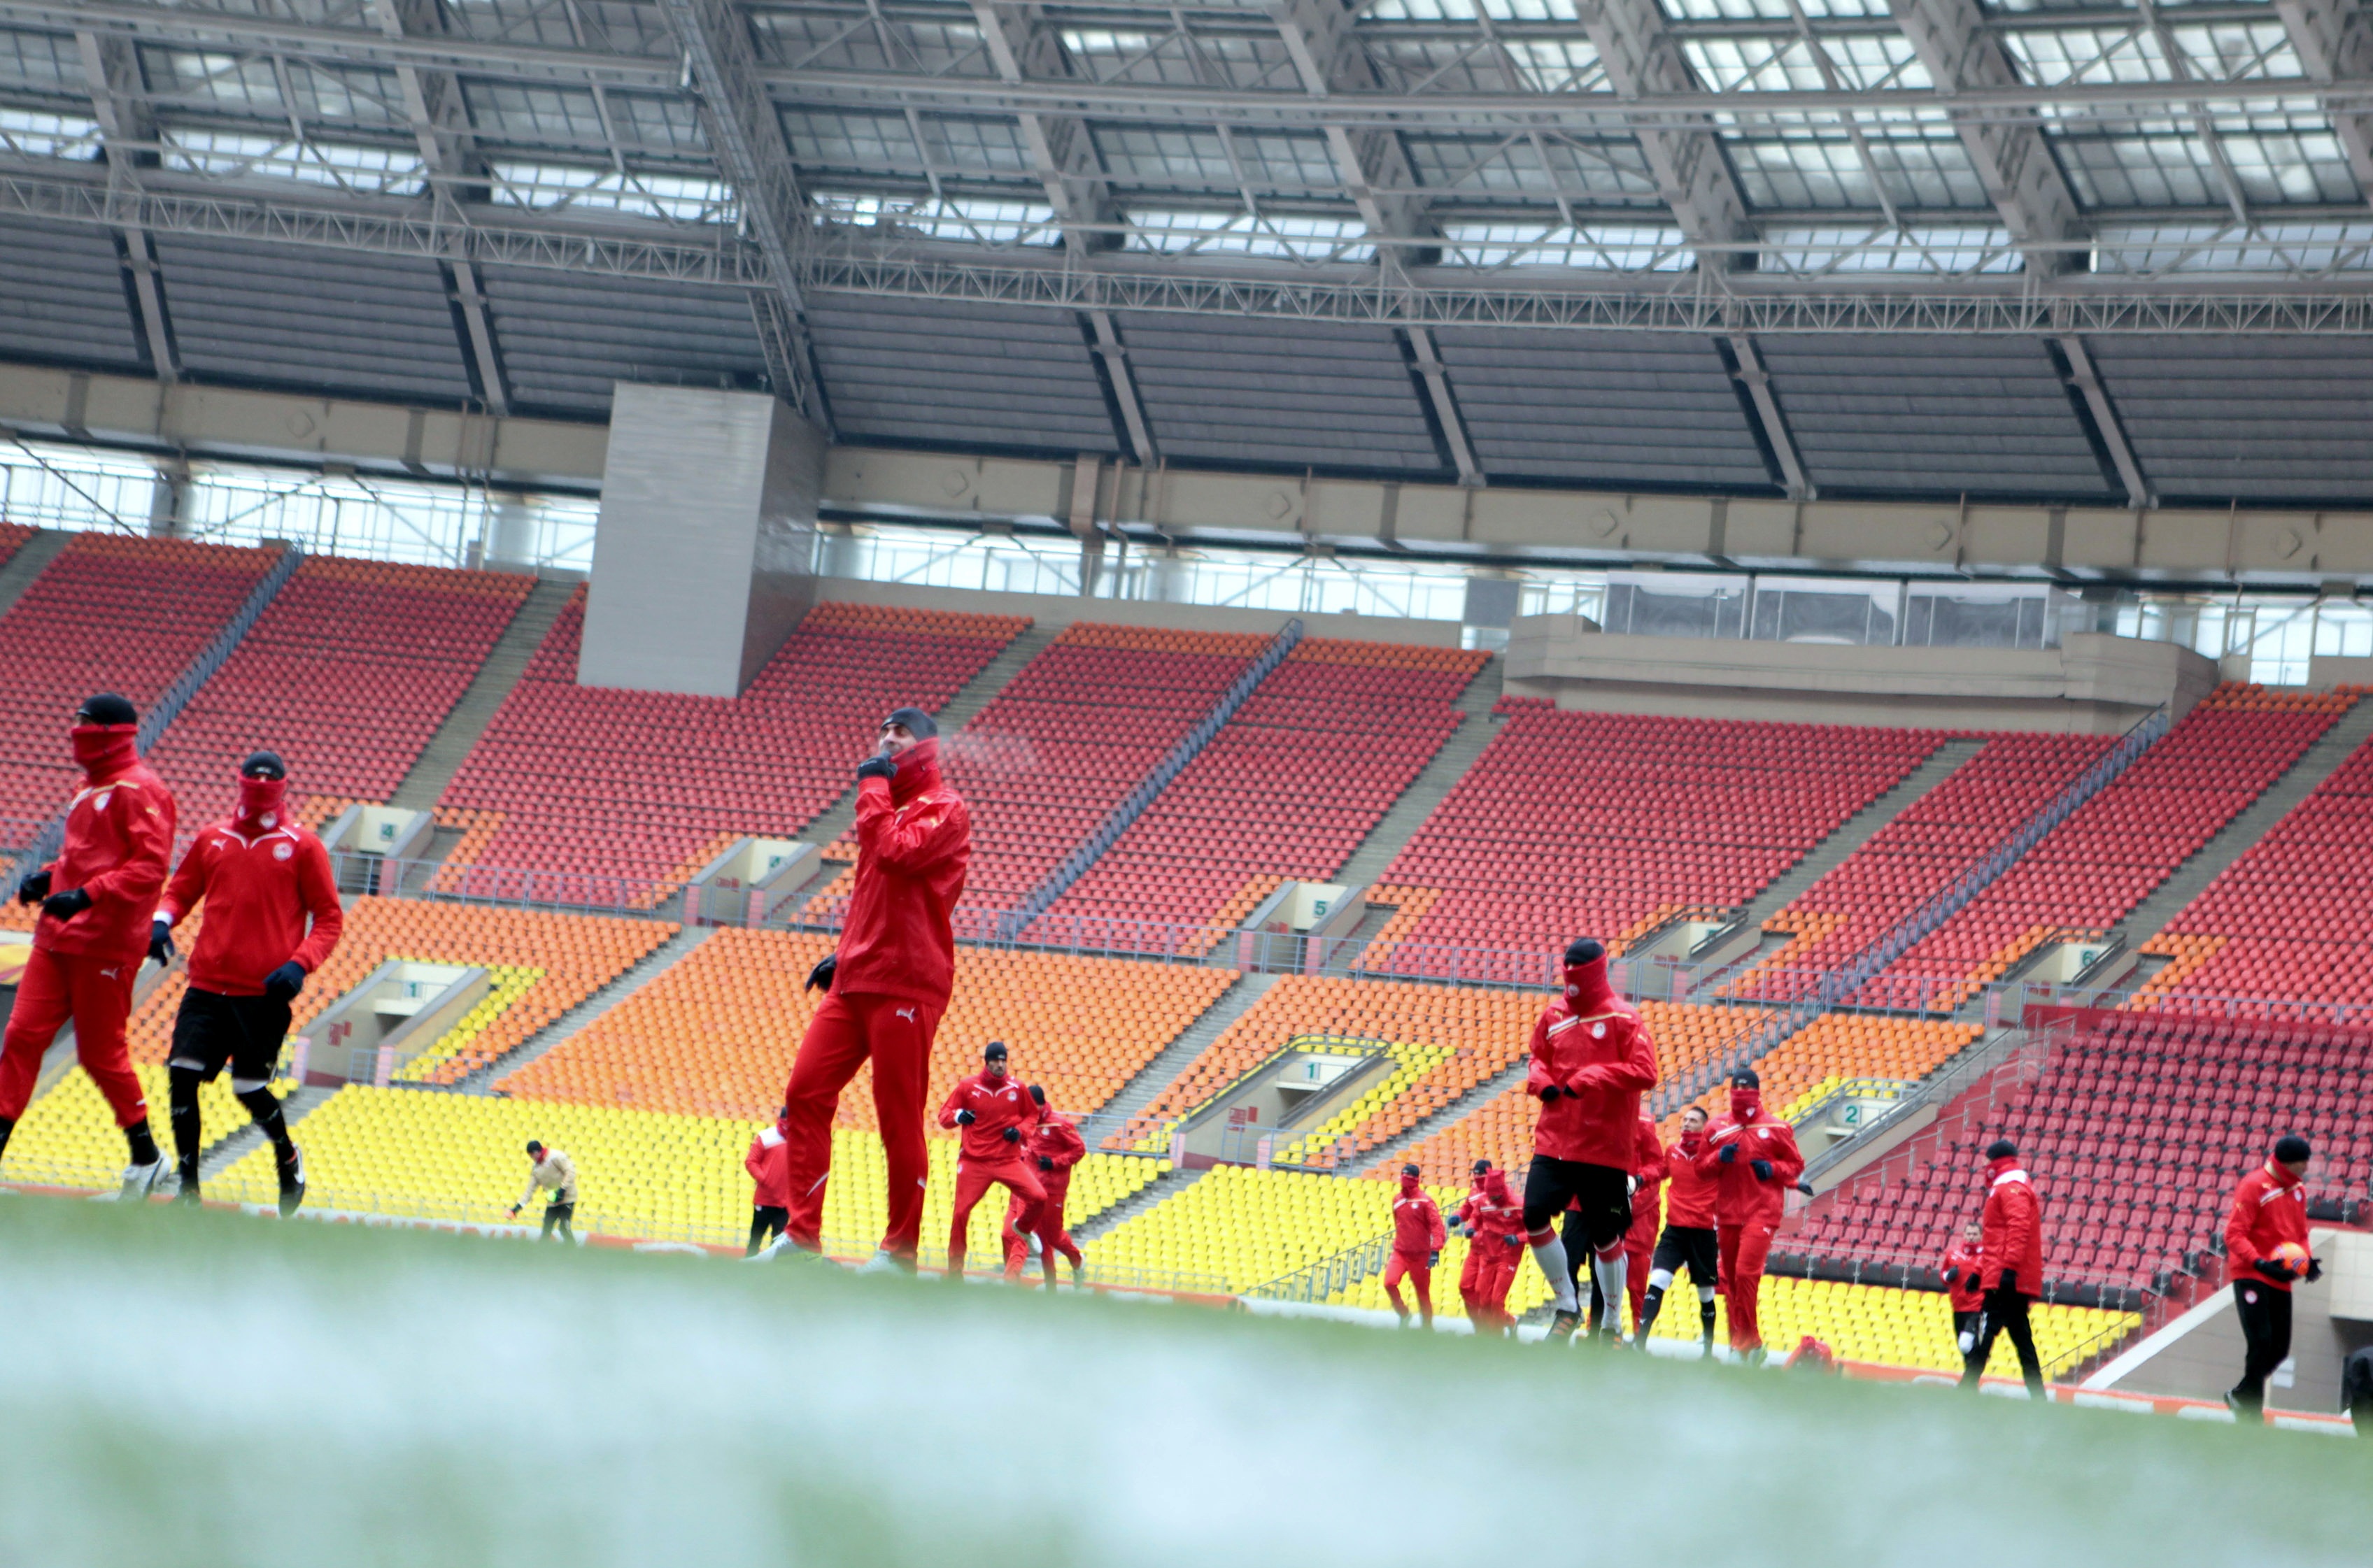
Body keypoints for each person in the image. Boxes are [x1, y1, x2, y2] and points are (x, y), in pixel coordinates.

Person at [766, 707, 970, 1271]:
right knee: (805, 1091)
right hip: (859, 975)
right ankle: (802, 1238)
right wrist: (847, 953)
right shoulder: (885, 809)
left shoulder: (945, 807)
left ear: (925, 748)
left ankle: (900, 1251)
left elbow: (896, 854)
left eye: (898, 733)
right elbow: (879, 893)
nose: (886, 739)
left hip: (908, 980)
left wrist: (874, 785)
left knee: (897, 1115)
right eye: (881, 731)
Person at [0, 694, 175, 1199]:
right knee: (20, 1038)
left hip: (105, 946)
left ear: (108, 732)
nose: (73, 730)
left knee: (100, 1056)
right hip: (55, 941)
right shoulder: (87, 788)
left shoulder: (142, 790)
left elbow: (148, 867)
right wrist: (47, 878)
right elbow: (82, 860)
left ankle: (147, 1156)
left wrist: (87, 895)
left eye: (82, 723)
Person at [151, 750, 341, 1216]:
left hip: (262, 995)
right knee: (181, 1075)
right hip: (206, 986)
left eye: (269, 778)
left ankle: (288, 1155)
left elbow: (330, 918)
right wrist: (162, 920)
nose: (260, 784)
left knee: (249, 1090)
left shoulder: (302, 845)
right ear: (239, 782)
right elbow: (181, 889)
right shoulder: (212, 838)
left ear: (283, 785)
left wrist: (300, 965)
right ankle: (189, 1190)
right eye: (252, 777)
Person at [1521, 938, 1660, 1343]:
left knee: (1605, 1234)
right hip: (1555, 1141)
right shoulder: (1553, 1015)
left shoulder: (1624, 1018)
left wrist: (1594, 1077)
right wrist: (1540, 1080)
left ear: (1596, 970)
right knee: (1533, 1215)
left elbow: (1646, 1071)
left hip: (1605, 1148)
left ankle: (1612, 1323)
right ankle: (1567, 1304)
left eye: (1577, 968)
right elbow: (1537, 1058)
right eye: (1566, 968)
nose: (1570, 975)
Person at [1695, 1067, 1804, 1364]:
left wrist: (1773, 1169)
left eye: (1747, 1086)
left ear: (1757, 1091)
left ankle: (1751, 1341)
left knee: (1745, 1274)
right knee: (1730, 1280)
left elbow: (1795, 1166)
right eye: (1736, 1086)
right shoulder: (1716, 1129)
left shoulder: (1777, 1128)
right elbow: (1701, 1171)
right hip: (1728, 1213)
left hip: (1762, 1213)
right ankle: (1739, 1346)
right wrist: (1719, 1158)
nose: (1741, 1090)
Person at [2224, 1134, 2320, 1420]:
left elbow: (2300, 1233)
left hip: (2281, 1277)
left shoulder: (2299, 1190)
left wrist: (2307, 1261)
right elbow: (2234, 1234)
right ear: (2287, 1163)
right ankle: (2250, 1411)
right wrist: (2260, 1263)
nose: (2306, 1167)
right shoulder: (2254, 1185)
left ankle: (2241, 1394)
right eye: (2302, 1162)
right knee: (2261, 1341)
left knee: (2279, 1348)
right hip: (2252, 1273)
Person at [937, 1041, 1043, 1281]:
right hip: (975, 1162)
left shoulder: (1017, 1087)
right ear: (987, 1062)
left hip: (1007, 1160)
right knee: (960, 1214)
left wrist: (1020, 1131)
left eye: (1003, 1060)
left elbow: (1031, 1115)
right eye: (995, 1060)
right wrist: (957, 1116)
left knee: (1039, 1197)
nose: (1000, 1064)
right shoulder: (968, 1087)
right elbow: (944, 1117)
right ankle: (954, 1273)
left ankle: (1023, 1228)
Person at [1959, 1138, 2046, 1398]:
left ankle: (1966, 1387)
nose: (1984, 1164)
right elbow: (1996, 1240)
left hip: (2006, 1280)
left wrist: (2008, 1269)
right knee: (2021, 1339)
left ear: (1996, 1161)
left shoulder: (2010, 1188)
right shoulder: (2009, 1187)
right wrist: (1979, 1272)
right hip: (2004, 1277)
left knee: (1985, 1336)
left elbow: (2018, 1229)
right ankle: (2038, 1396)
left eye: (1987, 1159)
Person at [1635, 1105, 1721, 1356]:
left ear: (1705, 1127)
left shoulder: (1714, 1156)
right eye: (1684, 1120)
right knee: (1658, 1280)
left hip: (1703, 1233)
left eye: (1693, 1120)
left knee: (1705, 1293)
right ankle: (1639, 1342)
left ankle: (1708, 1348)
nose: (1685, 1124)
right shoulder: (1673, 1151)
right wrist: (1638, 1178)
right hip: (1675, 1231)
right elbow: (1659, 1171)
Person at [1001, 1085, 1086, 1288]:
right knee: (1017, 1234)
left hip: (1052, 1189)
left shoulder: (1059, 1124)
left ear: (1041, 1104)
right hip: (1029, 1187)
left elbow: (1079, 1149)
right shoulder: (1024, 1123)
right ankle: (1010, 1283)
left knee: (1053, 1239)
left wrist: (1055, 1162)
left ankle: (1076, 1262)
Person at [1452, 1160, 1525, 1334]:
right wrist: (1466, 1225)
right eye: (1474, 1174)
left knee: (1493, 1300)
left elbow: (1535, 1229)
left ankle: (1496, 1332)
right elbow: (1472, 1214)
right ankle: (1485, 1327)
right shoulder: (1480, 1196)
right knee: (1471, 1291)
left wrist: (1518, 1238)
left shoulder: (1515, 1203)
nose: (1477, 1178)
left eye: (1481, 1175)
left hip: (1505, 1255)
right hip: (1483, 1251)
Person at [1382, 1163, 1445, 1328]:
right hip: (1400, 1252)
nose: (1404, 1181)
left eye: (1408, 1178)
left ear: (1416, 1179)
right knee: (1389, 1283)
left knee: (1422, 1294)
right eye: (1403, 1177)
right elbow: (1399, 1223)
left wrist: (1435, 1250)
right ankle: (1404, 1314)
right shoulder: (1397, 1200)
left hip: (1420, 1256)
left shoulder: (1426, 1202)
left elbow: (1437, 1226)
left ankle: (1427, 1328)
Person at [509, 1139, 577, 1242]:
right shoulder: (536, 1168)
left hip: (568, 1198)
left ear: (537, 1152)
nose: (532, 1159)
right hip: (553, 1201)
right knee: (546, 1229)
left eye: (532, 1156)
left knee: (564, 1227)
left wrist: (562, 1190)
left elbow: (571, 1172)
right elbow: (530, 1190)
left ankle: (572, 1250)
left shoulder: (556, 1156)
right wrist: (517, 1208)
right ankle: (543, 1252)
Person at [744, 1107, 791, 1257]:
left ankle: (772, 1274)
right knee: (755, 1240)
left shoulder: (801, 1140)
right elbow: (751, 1161)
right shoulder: (766, 1137)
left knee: (777, 1244)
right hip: (764, 1201)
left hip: (785, 1204)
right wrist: (765, 1178)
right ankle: (748, 1269)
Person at [1942, 1219, 1985, 1362]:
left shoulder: (1986, 1257)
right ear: (1964, 1235)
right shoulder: (1953, 1254)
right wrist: (1948, 1276)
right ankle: (1972, 1375)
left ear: (1981, 1236)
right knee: (1964, 1348)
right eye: (1968, 1234)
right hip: (1958, 1306)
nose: (1971, 1237)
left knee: (1966, 1343)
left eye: (1974, 1234)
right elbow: (1943, 1275)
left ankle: (1976, 1366)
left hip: (1976, 1306)